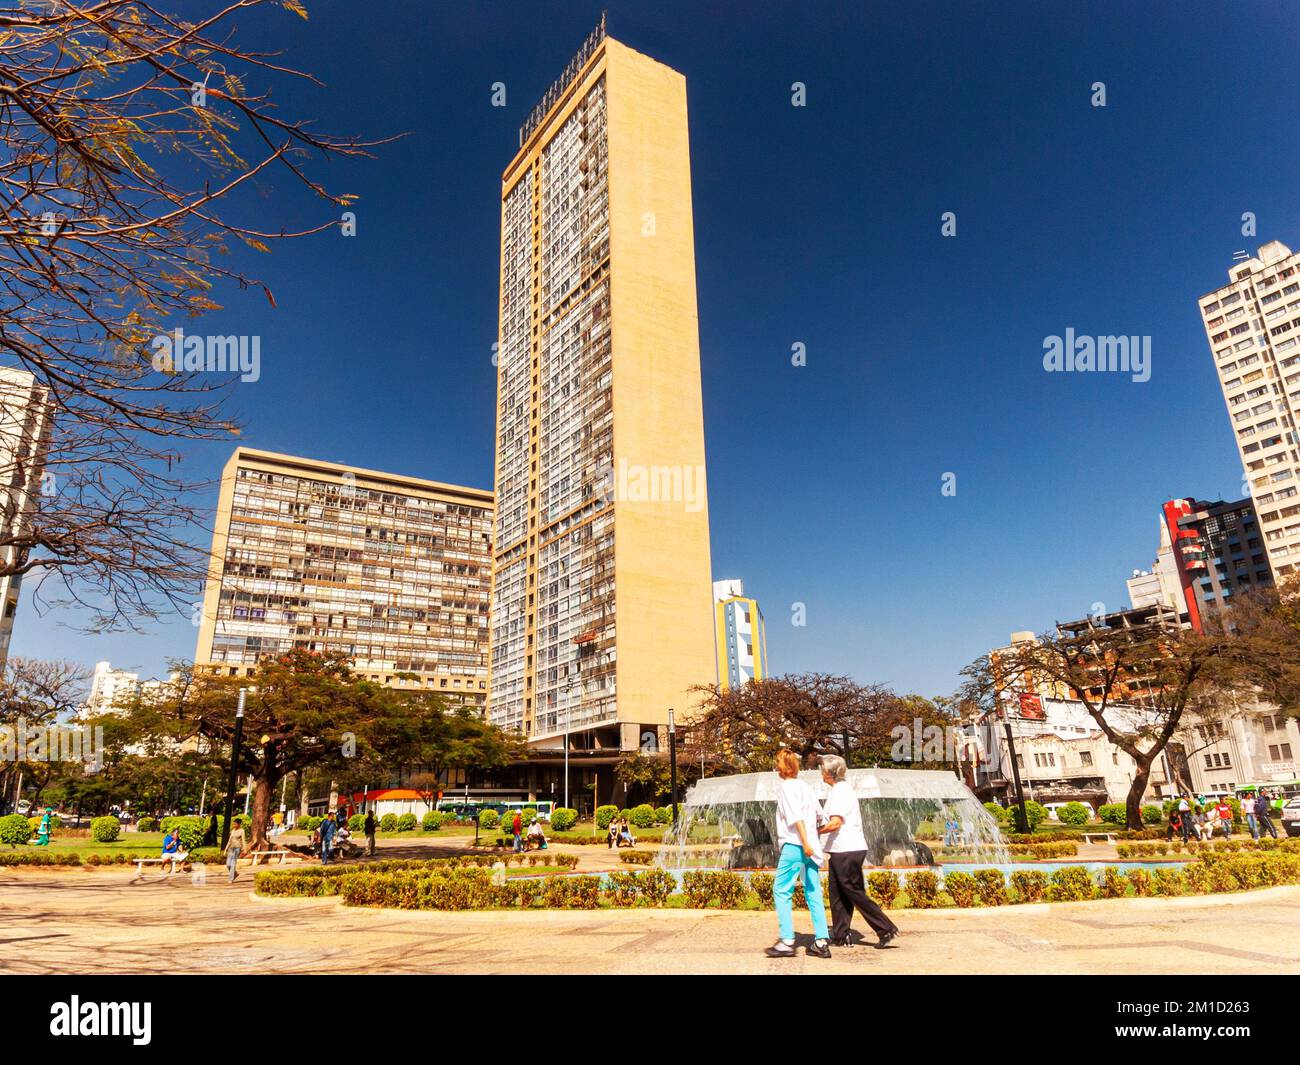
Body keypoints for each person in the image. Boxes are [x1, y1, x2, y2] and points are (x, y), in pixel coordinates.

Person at [817, 754, 898, 949]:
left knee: (854, 892)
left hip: (847, 849)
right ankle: (841, 934)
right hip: (841, 850)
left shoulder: (840, 792)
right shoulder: (839, 790)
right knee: (838, 893)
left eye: (821, 769)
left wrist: (814, 831)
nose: (820, 772)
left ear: (829, 772)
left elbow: (836, 823)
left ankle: (885, 928)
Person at [766, 748, 831, 959]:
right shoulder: (806, 787)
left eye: (777, 762)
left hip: (796, 845)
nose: (776, 765)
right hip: (810, 847)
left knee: (781, 890)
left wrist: (804, 842)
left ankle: (786, 941)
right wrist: (812, 840)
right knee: (813, 891)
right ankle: (821, 941)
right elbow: (820, 816)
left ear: (783, 766)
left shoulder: (785, 788)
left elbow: (795, 818)